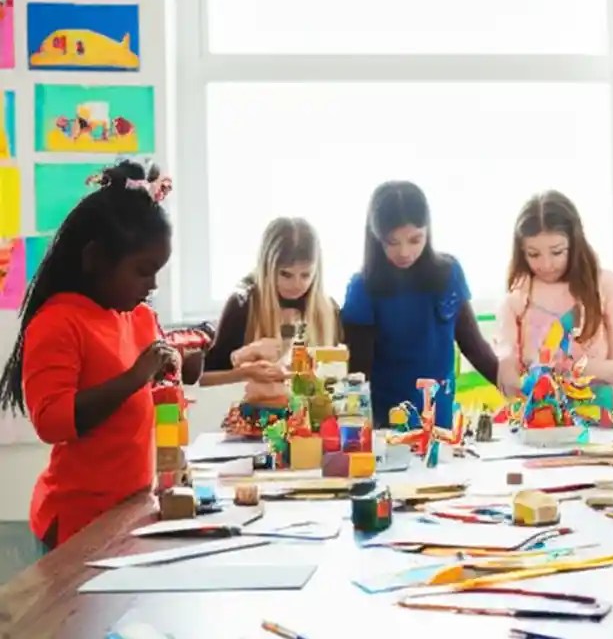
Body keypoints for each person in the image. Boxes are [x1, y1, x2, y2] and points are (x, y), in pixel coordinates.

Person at [0, 160, 202, 549]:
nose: (152, 285)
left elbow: (158, 392)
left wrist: (182, 366)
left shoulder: (139, 316)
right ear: (95, 259)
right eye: (143, 271)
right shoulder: (58, 322)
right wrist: (135, 378)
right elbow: (53, 422)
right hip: (79, 522)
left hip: (131, 507)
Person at [342, 181, 498, 429]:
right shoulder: (362, 287)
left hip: (440, 422)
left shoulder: (449, 273)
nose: (405, 252)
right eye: (393, 242)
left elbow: (473, 345)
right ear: (376, 237)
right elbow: (359, 371)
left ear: (428, 231)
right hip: (385, 425)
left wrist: (513, 386)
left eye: (416, 239)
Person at [495, 191, 613, 427]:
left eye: (557, 252)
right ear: (521, 251)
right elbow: (508, 361)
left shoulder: (603, 285)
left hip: (596, 424)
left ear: (575, 242)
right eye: (533, 254)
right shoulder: (518, 296)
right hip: (538, 425)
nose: (546, 264)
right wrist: (506, 363)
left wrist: (571, 369)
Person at [203, 217, 341, 387]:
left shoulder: (328, 310)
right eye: (286, 274)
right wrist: (243, 371)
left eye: (306, 275)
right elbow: (203, 380)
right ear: (267, 267)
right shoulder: (242, 305)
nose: (296, 285)